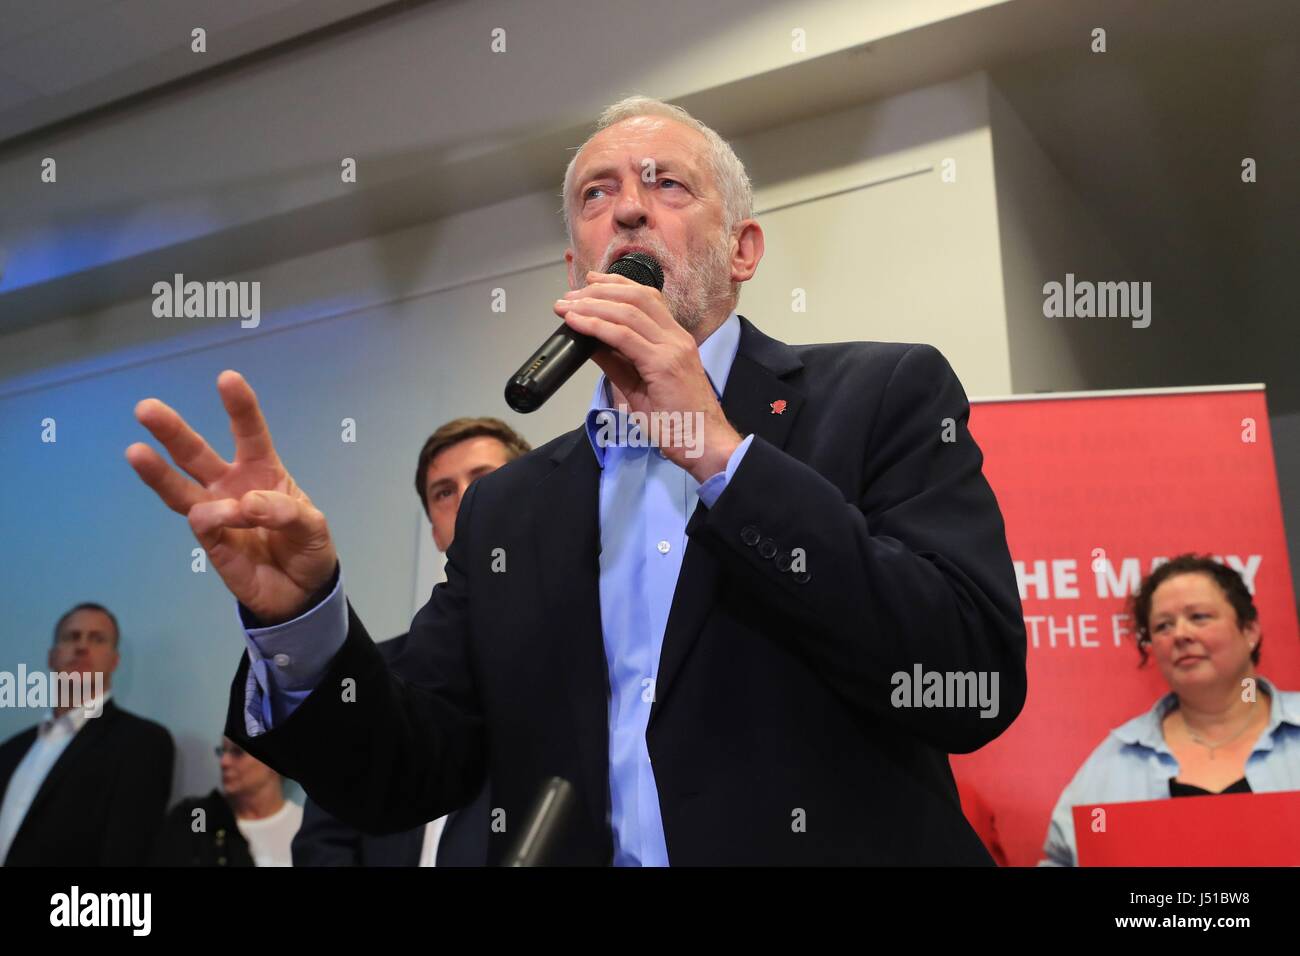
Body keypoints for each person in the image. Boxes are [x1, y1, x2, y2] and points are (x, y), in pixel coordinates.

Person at [125, 96, 1027, 865]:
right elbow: (406, 773)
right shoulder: (511, 508)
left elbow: (966, 675)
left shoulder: (881, 395)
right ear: (575, 270)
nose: (628, 211)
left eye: (667, 184)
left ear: (743, 250)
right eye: (598, 195)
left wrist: (719, 454)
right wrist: (302, 617)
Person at [293, 416, 529, 866]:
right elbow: (325, 841)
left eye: (485, 480)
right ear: (436, 532)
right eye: (444, 492)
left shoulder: (589, 652)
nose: (468, 501)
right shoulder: (377, 676)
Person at [1040, 554, 1300, 866]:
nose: (1181, 634)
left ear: (1249, 631)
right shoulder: (1115, 762)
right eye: (1163, 625)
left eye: (1200, 616)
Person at [0, 603, 174, 866]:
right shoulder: (10, 750)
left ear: (114, 660)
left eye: (97, 639)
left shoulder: (142, 743)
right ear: (52, 657)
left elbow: (127, 852)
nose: (81, 646)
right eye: (71, 637)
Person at [152, 736, 301, 866]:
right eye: (222, 750)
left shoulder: (304, 824)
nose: (224, 762)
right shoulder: (198, 816)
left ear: (273, 761)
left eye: (238, 752)